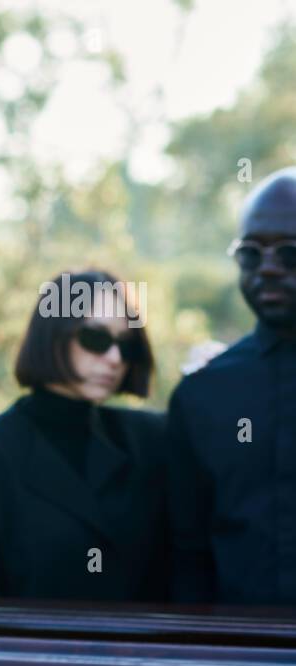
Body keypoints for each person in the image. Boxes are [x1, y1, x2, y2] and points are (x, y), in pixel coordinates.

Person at [0, 270, 169, 602]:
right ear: (52, 335)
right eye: (96, 338)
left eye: (127, 344)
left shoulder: (152, 441)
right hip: (28, 652)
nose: (115, 359)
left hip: (149, 651)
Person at [167, 168, 296, 607]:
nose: (270, 269)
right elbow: (186, 555)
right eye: (251, 255)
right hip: (237, 656)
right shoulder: (202, 394)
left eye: (290, 254)